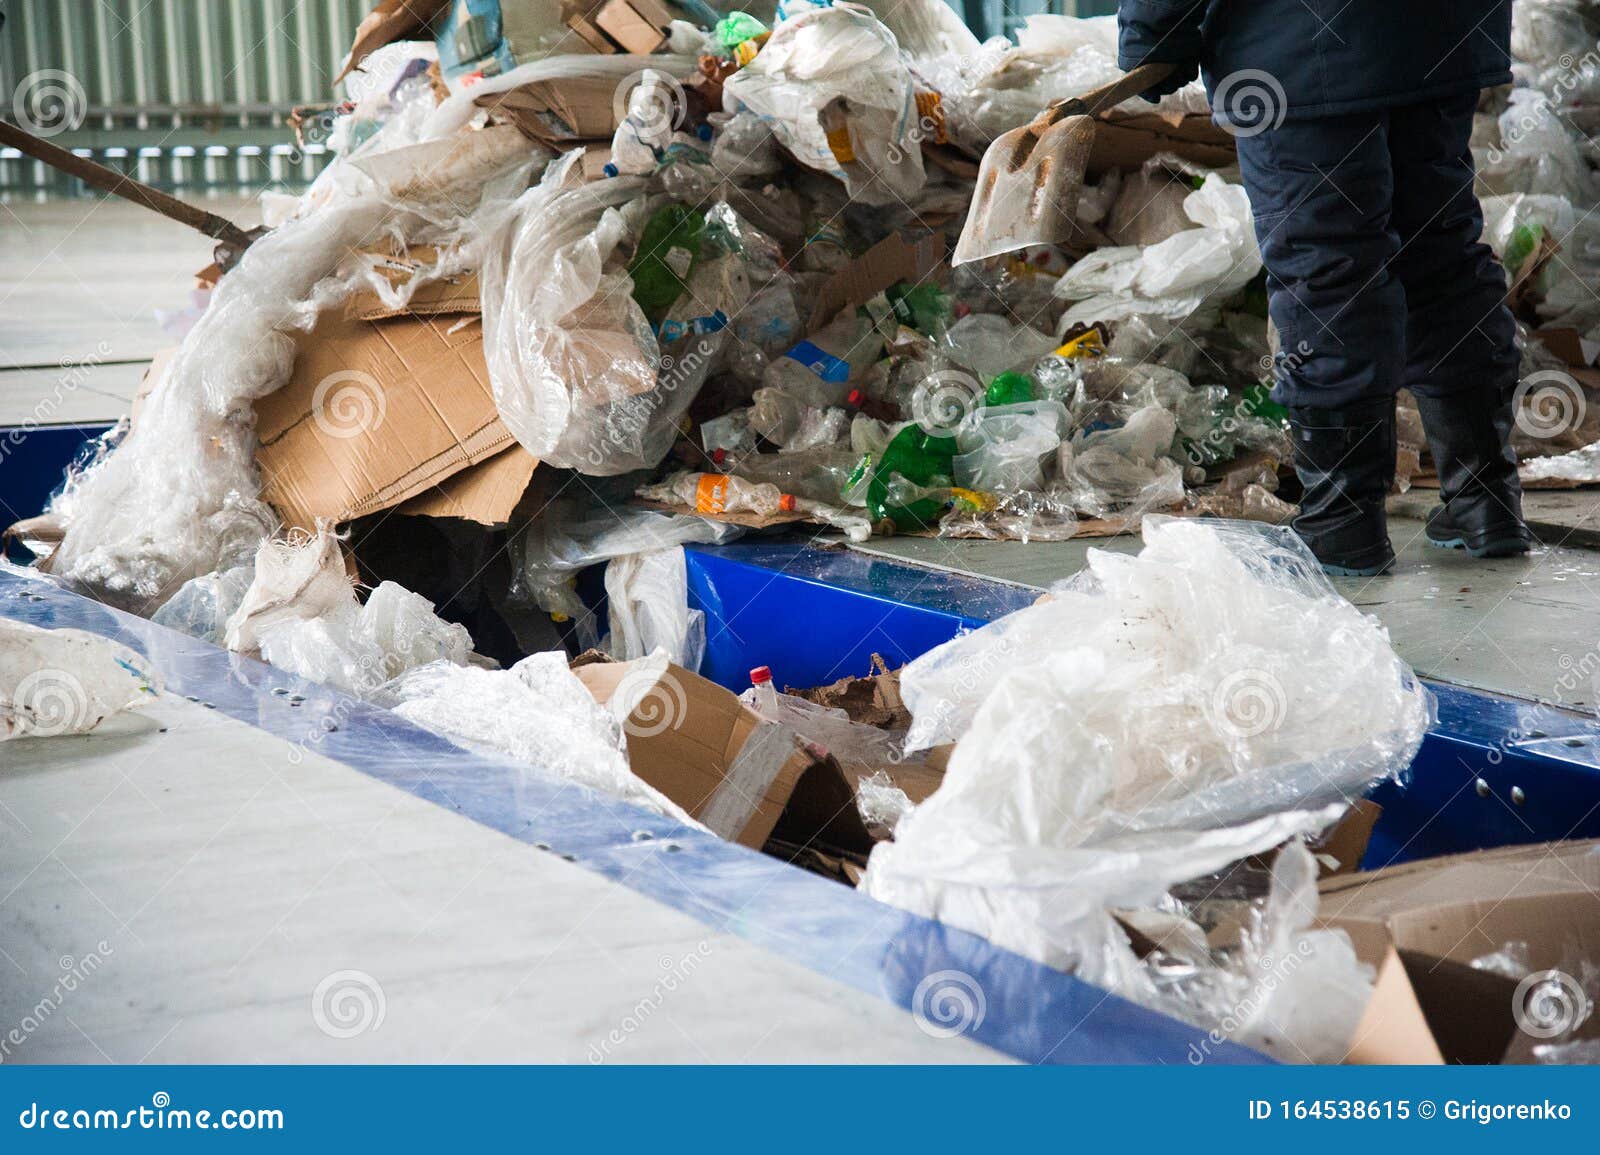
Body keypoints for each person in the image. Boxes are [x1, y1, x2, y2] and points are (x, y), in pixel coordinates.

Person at [1118, 1, 1531, 575]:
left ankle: (1343, 523)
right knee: (1440, 252)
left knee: (1329, 268)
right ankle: (1485, 503)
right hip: (1442, 32)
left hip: (1295, 47)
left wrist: (1152, 37)